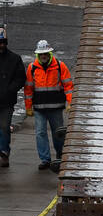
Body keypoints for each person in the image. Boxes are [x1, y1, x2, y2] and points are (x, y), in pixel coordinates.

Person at [24, 39, 73, 172]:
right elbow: (28, 89)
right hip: (39, 108)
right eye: (41, 54)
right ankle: (45, 160)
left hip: (56, 107)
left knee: (58, 134)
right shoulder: (32, 68)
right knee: (40, 133)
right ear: (38, 55)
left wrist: (70, 102)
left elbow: (68, 86)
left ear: (49, 53)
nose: (43, 56)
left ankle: (59, 155)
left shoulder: (59, 65)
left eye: (45, 53)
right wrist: (28, 106)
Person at [0, 28, 25, 168]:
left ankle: (4, 152)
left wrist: (10, 89)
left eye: (3, 42)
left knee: (4, 127)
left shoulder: (15, 59)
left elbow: (21, 77)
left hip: (7, 101)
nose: (1, 45)